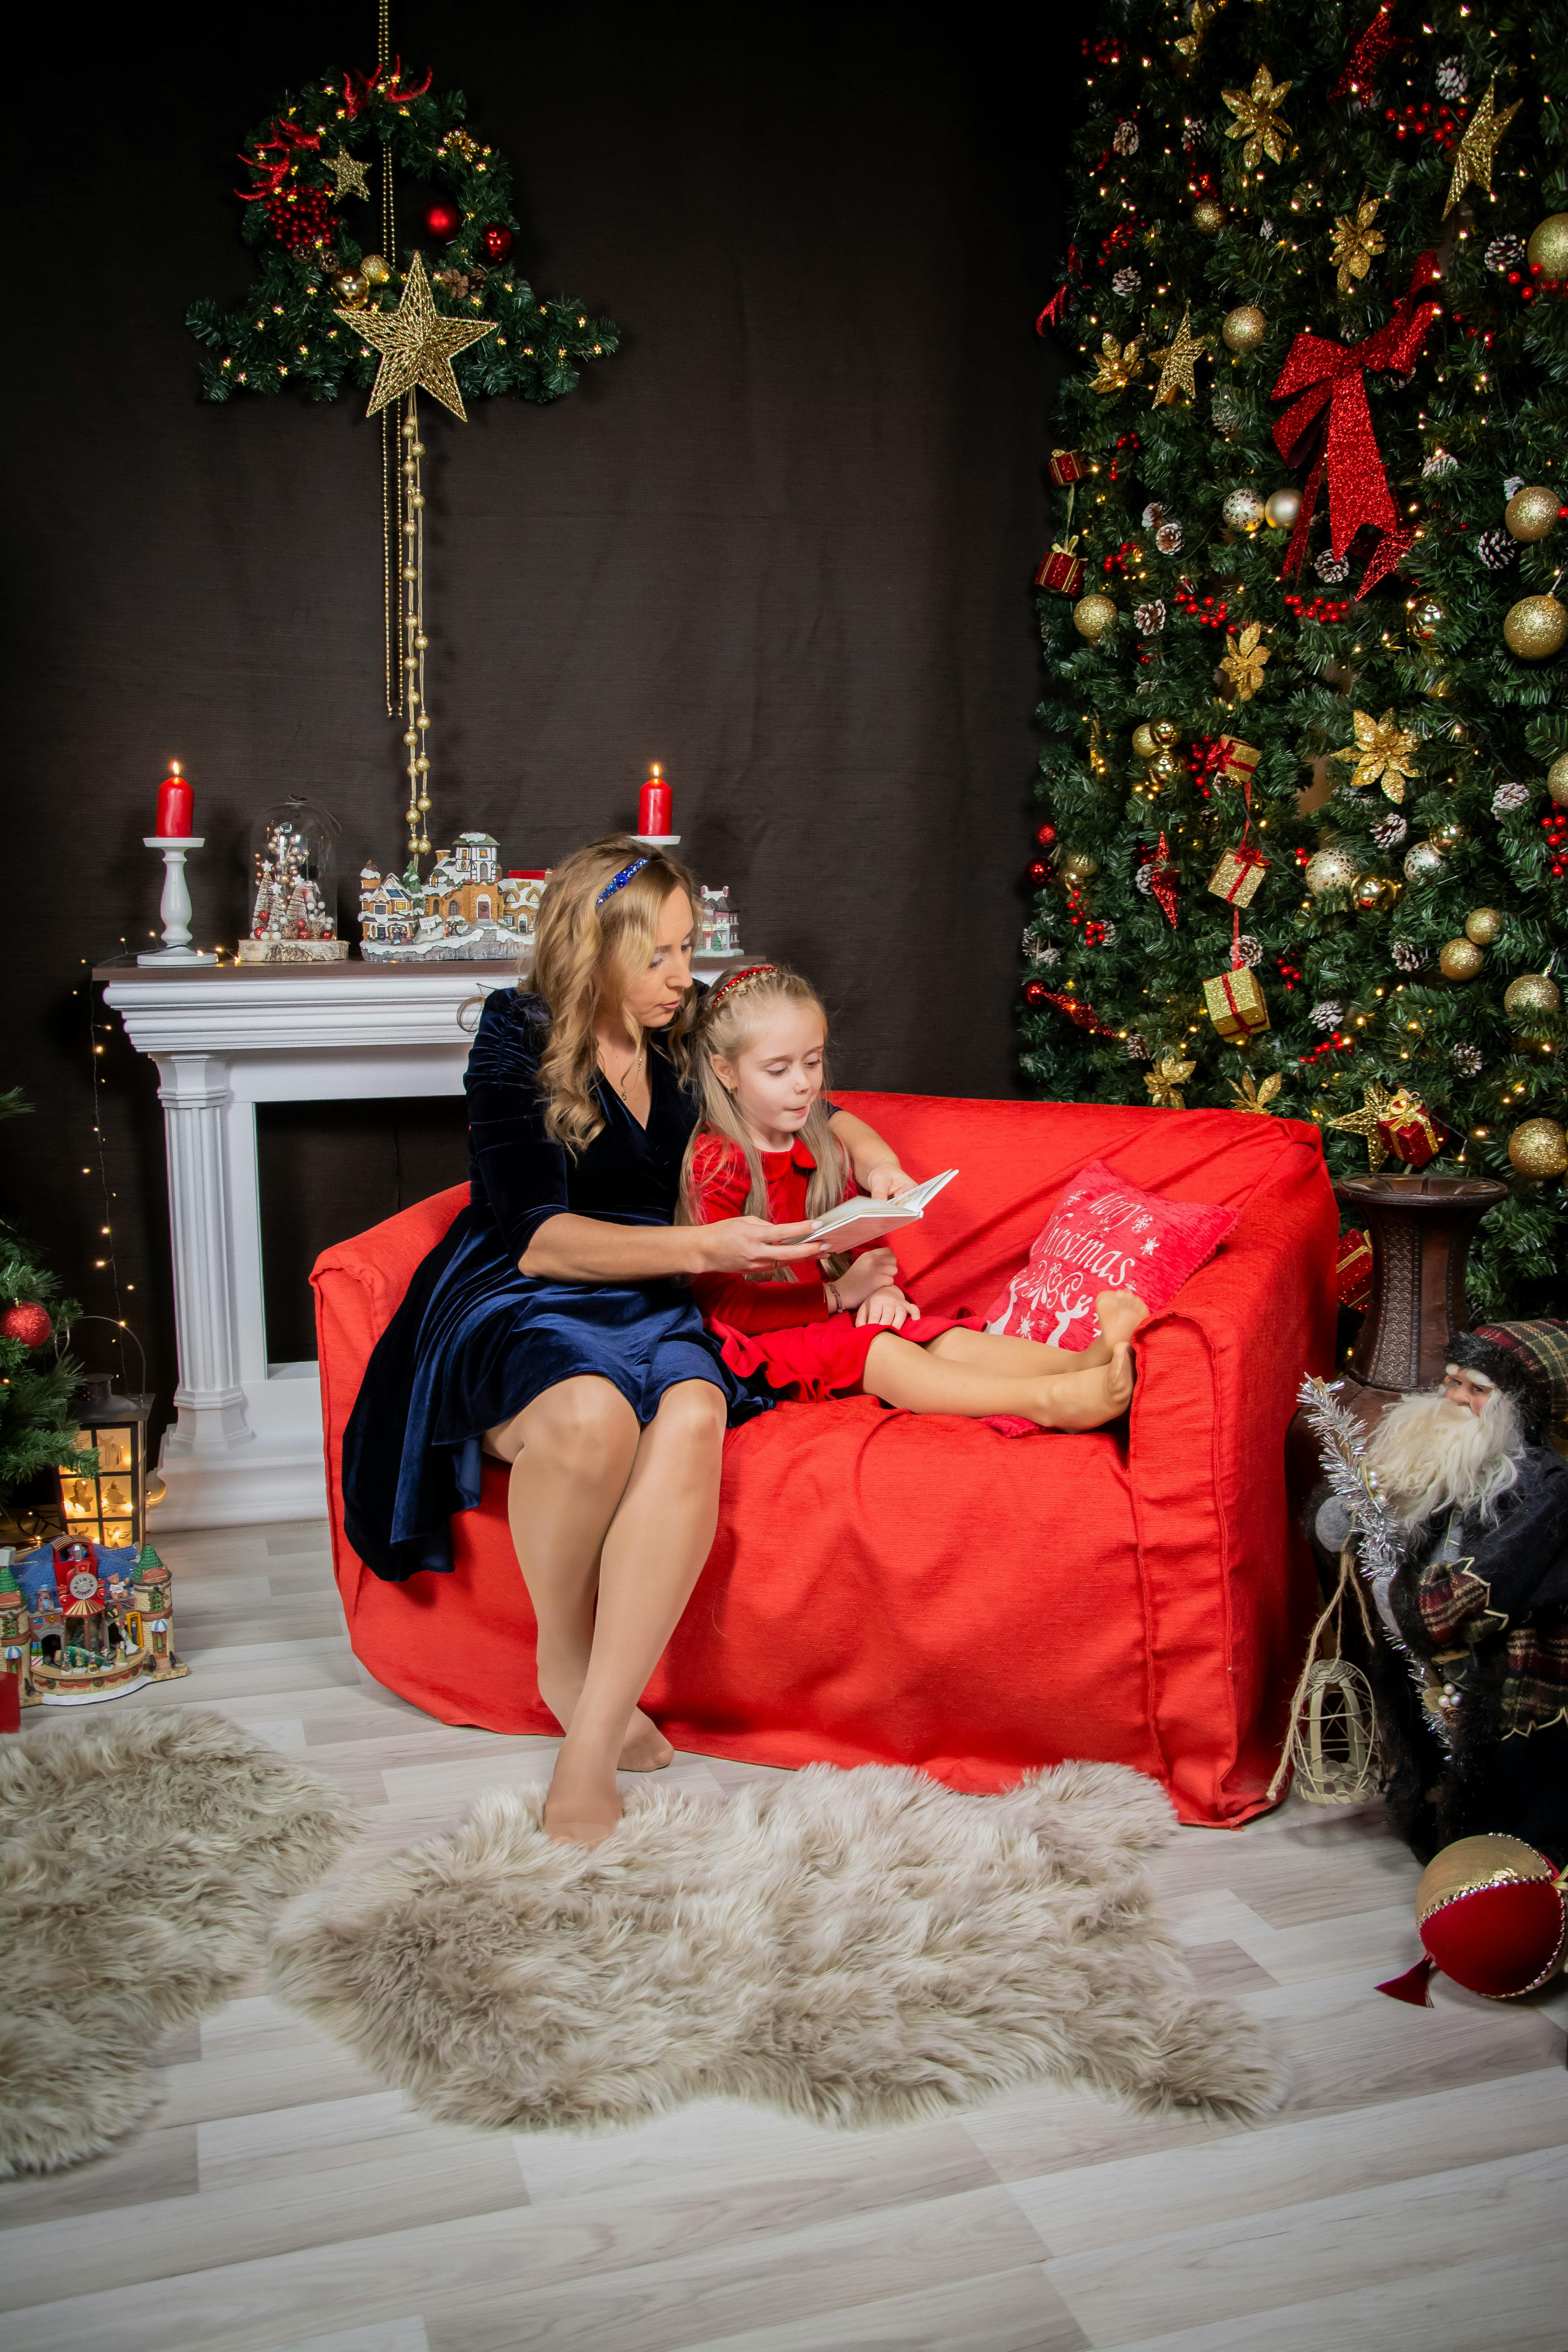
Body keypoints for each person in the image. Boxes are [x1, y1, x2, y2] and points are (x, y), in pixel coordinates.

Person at [341, 838, 915, 1847]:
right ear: (594, 947)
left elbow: (788, 1094)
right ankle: (562, 1659)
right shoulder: (515, 1035)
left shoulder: (683, 1032)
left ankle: (588, 1737)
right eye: (656, 955)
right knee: (593, 1419)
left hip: (649, 1297)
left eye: (686, 950)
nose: (677, 977)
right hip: (525, 1289)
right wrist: (706, 1241)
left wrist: (860, 1140)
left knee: (694, 1409)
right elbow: (538, 1238)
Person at [677, 964, 1145, 1428]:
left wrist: (883, 1289)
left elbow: (855, 1234)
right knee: (883, 1352)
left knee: (933, 1336)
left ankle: (1081, 1363)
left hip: (830, 1314)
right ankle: (1049, 1400)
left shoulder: (820, 1141)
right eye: (778, 1070)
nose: (803, 1083)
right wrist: (838, 1296)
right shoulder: (716, 1164)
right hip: (759, 1340)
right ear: (726, 1072)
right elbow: (722, 1306)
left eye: (813, 1062)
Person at [1316, 1327, 1568, 1862]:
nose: (1453, 1398)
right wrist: (1350, 1514)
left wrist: (1398, 1596)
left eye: (1476, 1390)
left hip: (1508, 1679)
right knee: (1437, 1764)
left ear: (1517, 1408)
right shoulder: (1450, 1463)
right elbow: (1365, 1520)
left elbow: (1476, 1592)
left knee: (1507, 1809)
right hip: (1435, 1673)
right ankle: (1438, 1833)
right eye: (1451, 1382)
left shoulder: (1545, 1489)